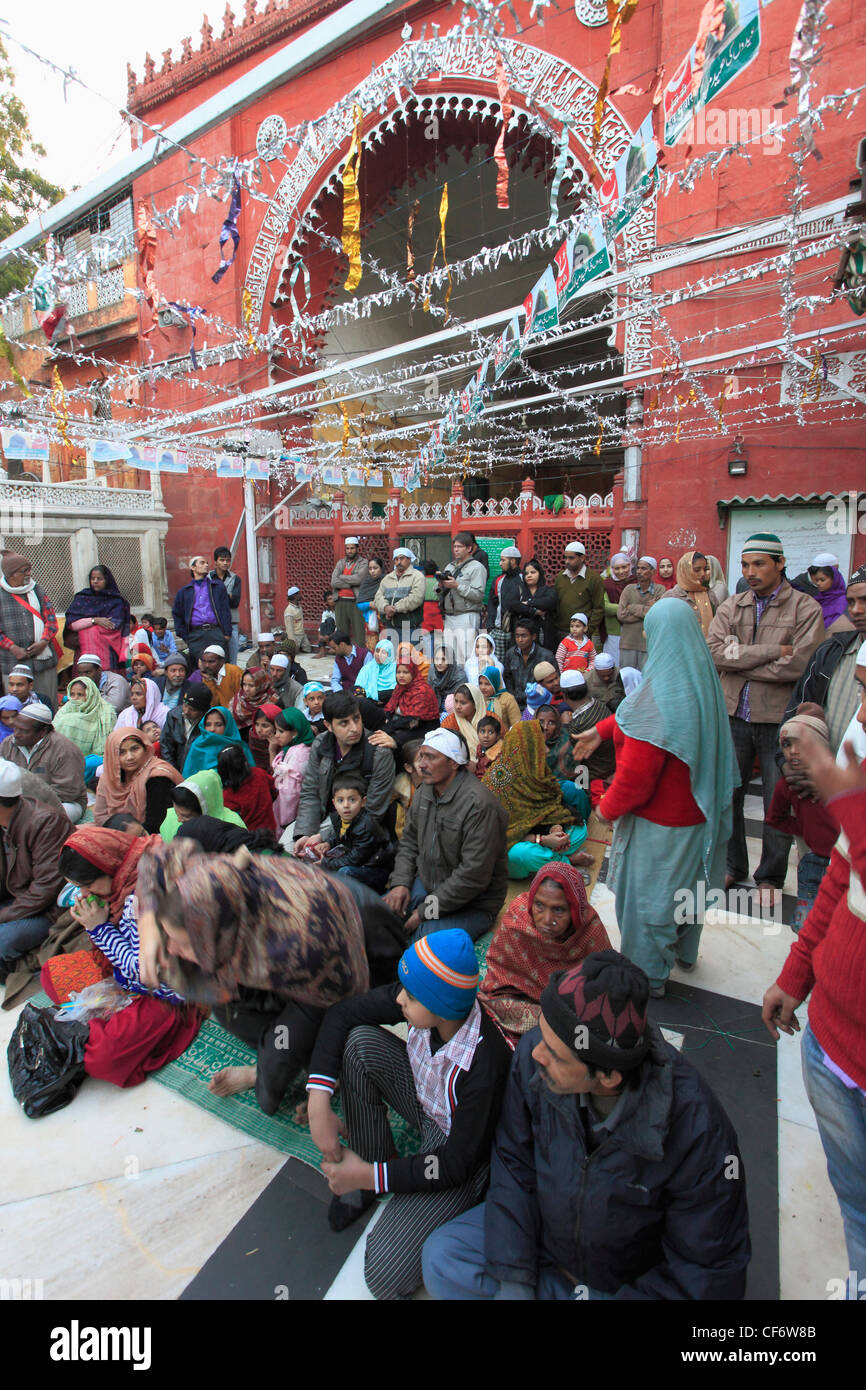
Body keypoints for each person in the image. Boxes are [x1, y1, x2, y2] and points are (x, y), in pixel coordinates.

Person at [422, 950, 750, 1301]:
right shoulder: (535, 1060)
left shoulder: (699, 1131)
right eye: (541, 1035)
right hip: (545, 1242)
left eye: (555, 1053)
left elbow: (706, 1272)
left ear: (608, 1077)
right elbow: (513, 1164)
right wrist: (514, 1279)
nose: (535, 1053)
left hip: (621, 1282)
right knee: (444, 1258)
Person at [306, 928, 514, 1300]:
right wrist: (318, 1100)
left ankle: (375, 1175)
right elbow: (342, 1013)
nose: (400, 998)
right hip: (428, 1104)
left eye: (411, 995)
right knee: (360, 1043)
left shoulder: (486, 1064)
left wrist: (370, 1177)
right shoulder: (424, 1001)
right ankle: (377, 1156)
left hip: (462, 1153)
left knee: (383, 1274)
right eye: (402, 988)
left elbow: (454, 1165)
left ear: (442, 1006)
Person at [135, 835, 371, 1116]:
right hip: (275, 949)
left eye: (184, 944)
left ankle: (273, 1070)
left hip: (337, 962)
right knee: (227, 1008)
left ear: (216, 939)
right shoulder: (203, 886)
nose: (171, 949)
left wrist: (322, 1082)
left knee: (280, 1055)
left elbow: (345, 1003)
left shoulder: (304, 946)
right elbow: (155, 860)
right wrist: (148, 923)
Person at [573, 599, 737, 997]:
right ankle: (683, 950)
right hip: (697, 814)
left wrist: (606, 808)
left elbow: (636, 780)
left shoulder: (656, 697)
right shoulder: (696, 679)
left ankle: (648, 977)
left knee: (649, 904)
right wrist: (605, 730)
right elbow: (638, 714)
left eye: (650, 627)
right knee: (684, 890)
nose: (644, 634)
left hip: (661, 823)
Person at [761, 707, 866, 1285]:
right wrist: (796, 976)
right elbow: (837, 881)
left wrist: (845, 799)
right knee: (854, 1200)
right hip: (831, 1042)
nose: (861, 714)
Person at [707, 533, 825, 904]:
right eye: (745, 565)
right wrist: (773, 651)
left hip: (778, 718)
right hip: (734, 714)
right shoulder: (732, 605)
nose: (750, 572)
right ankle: (732, 865)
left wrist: (741, 663)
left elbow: (801, 663)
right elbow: (713, 653)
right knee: (730, 795)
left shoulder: (805, 608)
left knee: (779, 798)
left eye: (759, 563)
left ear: (780, 563)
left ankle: (770, 875)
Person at [384, 727, 508, 941]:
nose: (421, 764)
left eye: (430, 757)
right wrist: (401, 883)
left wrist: (424, 912)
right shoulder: (425, 792)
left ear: (453, 763)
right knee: (385, 916)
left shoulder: (479, 805)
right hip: (431, 884)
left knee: (420, 943)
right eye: (421, 756)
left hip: (474, 903)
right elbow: (410, 842)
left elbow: (472, 876)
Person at [479, 863, 610, 1041]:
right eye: (539, 906)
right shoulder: (518, 919)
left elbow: (603, 988)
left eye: (559, 910)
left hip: (568, 1012)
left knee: (588, 1036)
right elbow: (498, 979)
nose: (547, 920)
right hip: (519, 1003)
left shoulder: (589, 930)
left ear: (574, 909)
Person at [777, 562, 866, 756]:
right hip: (827, 775)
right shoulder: (830, 652)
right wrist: (788, 763)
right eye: (850, 602)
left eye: (864, 600)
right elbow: (798, 707)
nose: (856, 610)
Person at [293, 691, 396, 855]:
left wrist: (324, 837)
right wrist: (305, 833)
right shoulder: (321, 743)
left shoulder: (379, 753)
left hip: (356, 832)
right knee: (287, 849)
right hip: (320, 817)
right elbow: (311, 791)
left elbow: (373, 812)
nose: (354, 728)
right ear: (328, 726)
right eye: (344, 723)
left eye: (356, 718)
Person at [482, 720, 587, 878]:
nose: (545, 750)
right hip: (509, 847)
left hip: (542, 834)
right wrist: (542, 840)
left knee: (580, 829)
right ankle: (567, 860)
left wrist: (556, 829)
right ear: (525, 749)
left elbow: (552, 805)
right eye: (539, 745)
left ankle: (552, 861)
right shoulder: (495, 785)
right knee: (520, 855)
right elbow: (495, 837)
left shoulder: (535, 769)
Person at [766, 708, 839, 931]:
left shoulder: (839, 779)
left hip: (845, 863)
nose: (793, 752)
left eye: (802, 744)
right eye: (787, 744)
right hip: (814, 863)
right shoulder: (787, 786)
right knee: (806, 924)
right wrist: (805, 828)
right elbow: (775, 819)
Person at [0, 761, 69, 977]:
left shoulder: (45, 822)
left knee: (3, 941)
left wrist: (4, 915)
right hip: (17, 896)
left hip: (50, 909)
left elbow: (46, 889)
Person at [0, 701, 86, 822]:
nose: (16, 734)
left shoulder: (66, 750)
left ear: (43, 731)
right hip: (16, 800)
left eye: (23, 730)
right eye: (15, 728)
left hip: (63, 803)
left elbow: (68, 792)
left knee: (43, 821)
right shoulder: (8, 744)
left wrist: (26, 806)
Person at [318, 769, 397, 891]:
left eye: (352, 800)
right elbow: (342, 836)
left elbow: (353, 860)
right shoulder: (340, 818)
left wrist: (326, 863)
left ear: (363, 802)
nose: (346, 805)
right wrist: (328, 843)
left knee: (344, 872)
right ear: (334, 803)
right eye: (340, 800)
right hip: (360, 862)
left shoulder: (365, 826)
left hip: (375, 869)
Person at [0, 551, 62, 706]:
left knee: (47, 703)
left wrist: (43, 642)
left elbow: (52, 621)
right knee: (15, 706)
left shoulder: (37, 590)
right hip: (12, 662)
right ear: (11, 574)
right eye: (24, 571)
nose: (29, 574)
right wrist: (13, 648)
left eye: (29, 570)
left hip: (43, 661)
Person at [93, 728, 182, 834]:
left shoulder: (157, 776)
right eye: (121, 752)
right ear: (112, 755)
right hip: (115, 832)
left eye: (135, 749)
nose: (129, 757)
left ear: (145, 749)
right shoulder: (109, 777)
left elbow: (156, 824)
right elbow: (100, 815)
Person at [65, 564, 131, 672]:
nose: (95, 581)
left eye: (99, 579)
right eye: (92, 578)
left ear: (107, 580)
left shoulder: (116, 601)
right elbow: (72, 624)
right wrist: (94, 621)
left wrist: (87, 627)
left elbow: (114, 625)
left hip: (109, 653)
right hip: (84, 653)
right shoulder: (82, 598)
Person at [171, 554, 232, 663]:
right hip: (196, 635)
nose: (206, 565)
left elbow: (225, 610)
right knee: (199, 666)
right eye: (202, 563)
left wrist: (226, 634)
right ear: (193, 568)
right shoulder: (184, 592)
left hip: (216, 631)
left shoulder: (217, 587)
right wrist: (186, 636)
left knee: (220, 664)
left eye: (207, 563)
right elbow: (177, 614)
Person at [160, 768, 247, 842]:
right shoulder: (170, 818)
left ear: (204, 810)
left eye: (185, 816)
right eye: (176, 811)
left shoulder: (232, 828)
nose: (178, 819)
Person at [536, 703, 590, 815]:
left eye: (551, 723)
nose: (545, 727)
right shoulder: (527, 742)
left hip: (566, 792)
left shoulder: (565, 741)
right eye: (541, 721)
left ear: (557, 725)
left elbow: (579, 776)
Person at [270, 707, 316, 832]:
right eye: (276, 731)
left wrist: (284, 822)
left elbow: (290, 794)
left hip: (292, 817)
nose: (276, 736)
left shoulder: (299, 754)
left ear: (295, 733)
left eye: (281, 731)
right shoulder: (292, 748)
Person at [53, 676, 116, 764]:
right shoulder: (65, 709)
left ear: (91, 694)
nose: (75, 698)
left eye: (80, 695)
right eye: (72, 694)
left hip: (93, 761)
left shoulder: (106, 711)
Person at [440, 531, 487, 647]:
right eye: (455, 546)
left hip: (467, 615)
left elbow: (478, 594)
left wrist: (457, 586)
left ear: (469, 548)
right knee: (449, 654)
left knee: (466, 653)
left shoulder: (477, 567)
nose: (456, 550)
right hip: (449, 615)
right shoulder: (450, 566)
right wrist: (441, 586)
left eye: (460, 547)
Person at [617, 556, 665, 670]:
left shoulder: (660, 590)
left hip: (648, 644)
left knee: (646, 680)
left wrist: (632, 607)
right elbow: (621, 615)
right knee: (627, 678)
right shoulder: (629, 589)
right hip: (628, 643)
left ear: (653, 571)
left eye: (643, 568)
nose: (639, 572)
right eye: (638, 568)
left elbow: (657, 615)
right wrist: (646, 611)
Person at [554, 541, 605, 647]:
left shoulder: (594, 579)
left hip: (582, 635)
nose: (567, 561)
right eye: (566, 558)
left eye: (571, 558)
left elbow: (598, 608)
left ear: (582, 558)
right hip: (560, 632)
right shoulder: (560, 577)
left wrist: (587, 631)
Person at [217, 745, 277, 833]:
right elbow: (274, 791)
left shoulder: (228, 796)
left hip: (250, 837)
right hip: (270, 829)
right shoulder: (260, 773)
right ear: (245, 761)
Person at [182, 705, 254, 778]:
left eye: (218, 725)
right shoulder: (198, 745)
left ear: (227, 726)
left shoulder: (240, 747)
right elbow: (188, 777)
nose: (212, 729)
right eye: (208, 724)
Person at [383, 660, 440, 748]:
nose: (401, 675)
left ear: (413, 673)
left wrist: (391, 726)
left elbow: (413, 720)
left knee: (393, 739)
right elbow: (391, 707)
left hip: (423, 727)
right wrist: (388, 720)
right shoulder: (399, 688)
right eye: (398, 672)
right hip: (404, 723)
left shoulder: (422, 691)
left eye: (406, 672)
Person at [504, 618, 557, 710]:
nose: (520, 640)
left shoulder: (546, 656)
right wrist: (512, 699)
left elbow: (554, 683)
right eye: (517, 636)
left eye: (524, 636)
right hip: (515, 704)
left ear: (533, 636)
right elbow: (507, 679)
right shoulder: (510, 654)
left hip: (539, 705)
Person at [373, 548, 426, 639]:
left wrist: (394, 609)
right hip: (390, 627)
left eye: (402, 558)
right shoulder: (387, 578)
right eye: (396, 559)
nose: (399, 562)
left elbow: (416, 598)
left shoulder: (417, 576)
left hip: (410, 628)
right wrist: (385, 607)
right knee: (392, 653)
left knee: (410, 653)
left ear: (409, 560)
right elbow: (378, 597)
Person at [160, 683, 212, 773]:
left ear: (203, 711)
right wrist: (174, 772)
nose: (186, 711)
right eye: (185, 705)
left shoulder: (210, 724)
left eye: (193, 709)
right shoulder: (173, 716)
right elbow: (166, 746)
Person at [663, 550, 717, 636]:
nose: (703, 574)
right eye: (697, 570)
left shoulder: (709, 594)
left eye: (705, 569)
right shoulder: (671, 596)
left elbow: (717, 624)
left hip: (706, 647)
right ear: (685, 571)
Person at [509, 557, 558, 652]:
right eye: (526, 573)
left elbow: (549, 602)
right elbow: (513, 605)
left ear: (540, 573)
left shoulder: (547, 590)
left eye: (533, 572)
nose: (529, 576)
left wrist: (528, 602)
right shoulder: (519, 589)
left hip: (543, 634)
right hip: (521, 636)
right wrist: (534, 611)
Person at [485, 546, 524, 659]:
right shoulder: (498, 580)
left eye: (503, 560)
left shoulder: (523, 579)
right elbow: (492, 604)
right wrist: (490, 627)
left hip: (517, 632)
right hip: (498, 631)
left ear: (513, 561)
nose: (500, 563)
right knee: (498, 664)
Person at [331, 537, 369, 648]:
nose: (350, 551)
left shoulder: (364, 563)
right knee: (341, 633)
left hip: (356, 601)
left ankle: (360, 657)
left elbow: (358, 579)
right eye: (347, 548)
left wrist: (341, 577)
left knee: (359, 632)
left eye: (352, 548)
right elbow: (333, 582)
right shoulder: (340, 563)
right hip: (340, 601)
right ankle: (343, 657)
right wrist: (349, 583)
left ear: (357, 548)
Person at [802, 553, 850, 631]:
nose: (818, 583)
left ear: (834, 579)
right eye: (817, 580)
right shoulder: (816, 600)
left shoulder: (843, 601)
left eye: (822, 580)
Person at [211, 547, 242, 665]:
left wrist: (219, 595)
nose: (225, 563)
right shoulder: (208, 578)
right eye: (222, 560)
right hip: (213, 623)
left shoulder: (235, 579)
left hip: (231, 622)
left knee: (232, 656)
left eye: (228, 560)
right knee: (215, 655)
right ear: (215, 561)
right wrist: (227, 595)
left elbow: (235, 601)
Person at [441, 683, 486, 762]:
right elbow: (446, 750)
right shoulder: (449, 723)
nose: (457, 706)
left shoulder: (489, 719)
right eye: (456, 701)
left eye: (463, 703)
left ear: (475, 704)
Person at [601, 551, 631, 664]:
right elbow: (605, 607)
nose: (621, 571)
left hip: (633, 630)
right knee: (614, 663)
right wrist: (628, 608)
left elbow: (642, 605)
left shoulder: (636, 583)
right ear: (612, 569)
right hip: (614, 632)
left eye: (624, 567)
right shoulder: (606, 584)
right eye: (617, 568)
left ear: (630, 566)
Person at [231, 667, 277, 736]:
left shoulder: (273, 701)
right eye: (244, 684)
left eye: (251, 685)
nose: (246, 689)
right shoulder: (239, 698)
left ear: (261, 684)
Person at [195, 644, 242, 708]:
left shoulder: (234, 672)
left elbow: (243, 697)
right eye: (204, 661)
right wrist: (209, 681)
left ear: (222, 661)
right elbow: (213, 704)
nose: (207, 665)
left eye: (211, 662)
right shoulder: (207, 677)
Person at [354, 637, 397, 705]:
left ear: (390, 655)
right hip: (369, 705)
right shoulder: (368, 668)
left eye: (383, 652)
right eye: (377, 651)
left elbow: (397, 691)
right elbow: (357, 688)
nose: (378, 655)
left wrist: (370, 694)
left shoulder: (395, 668)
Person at [477, 667, 520, 732]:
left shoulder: (508, 699)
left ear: (496, 683)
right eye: (480, 683)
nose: (483, 687)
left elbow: (517, 725)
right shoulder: (479, 698)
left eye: (487, 684)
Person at [428, 647, 466, 712]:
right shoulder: (432, 671)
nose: (439, 663)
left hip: (454, 709)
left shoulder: (459, 675)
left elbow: (461, 701)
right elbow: (429, 695)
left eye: (443, 659)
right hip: (435, 706)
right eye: (437, 659)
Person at [356, 559, 385, 642]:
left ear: (381, 568)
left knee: (385, 645)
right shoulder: (366, 583)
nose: (372, 571)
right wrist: (370, 604)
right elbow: (359, 604)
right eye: (370, 568)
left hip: (385, 619)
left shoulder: (387, 581)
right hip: (370, 619)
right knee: (372, 645)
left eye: (375, 568)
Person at [284, 585, 312, 654]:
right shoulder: (289, 610)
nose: (300, 595)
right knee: (294, 652)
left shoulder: (299, 607)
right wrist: (292, 641)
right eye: (299, 593)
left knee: (308, 649)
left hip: (302, 634)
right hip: (295, 636)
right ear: (294, 596)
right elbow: (289, 628)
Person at [473, 715, 503, 779]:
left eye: (490, 732)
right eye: (482, 731)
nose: (486, 736)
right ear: (477, 733)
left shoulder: (499, 754)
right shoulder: (480, 747)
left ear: (498, 735)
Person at [421, 560, 444, 635]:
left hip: (424, 610)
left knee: (426, 637)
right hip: (437, 609)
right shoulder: (439, 582)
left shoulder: (421, 581)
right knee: (438, 637)